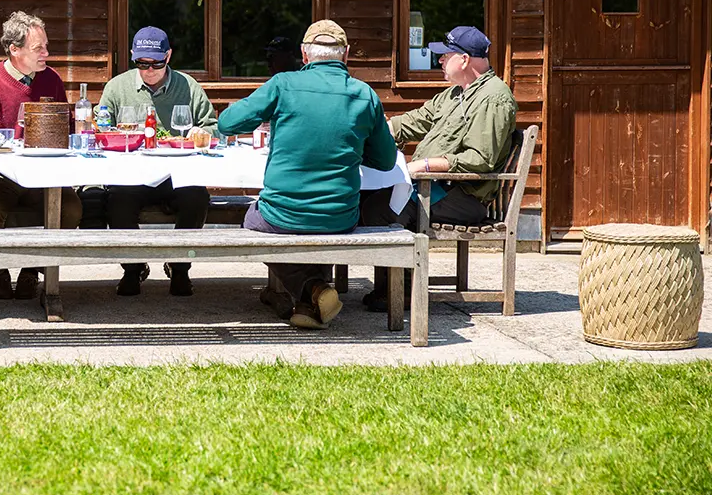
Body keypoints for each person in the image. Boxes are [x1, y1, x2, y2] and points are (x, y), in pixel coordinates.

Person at [219, 20, 397, 329]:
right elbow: (385, 160)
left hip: (281, 216)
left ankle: (311, 289)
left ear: (304, 54)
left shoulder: (283, 85)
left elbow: (227, 123)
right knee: (317, 222)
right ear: (346, 55)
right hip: (341, 217)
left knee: (252, 220)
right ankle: (309, 301)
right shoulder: (364, 94)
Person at [360, 25, 517, 311]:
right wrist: (374, 130)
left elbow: (481, 159)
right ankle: (392, 288)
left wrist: (427, 164)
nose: (440, 60)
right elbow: (418, 119)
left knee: (381, 210)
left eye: (446, 55)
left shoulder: (494, 97)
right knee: (370, 200)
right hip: (437, 187)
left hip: (463, 195)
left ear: (465, 59)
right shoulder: (455, 93)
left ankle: (401, 291)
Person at [0, 11, 81, 300]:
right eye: (38, 48)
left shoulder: (52, 80)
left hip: (42, 171)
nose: (46, 53)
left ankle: (31, 271)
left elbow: (67, 128)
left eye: (46, 46)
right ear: (14, 50)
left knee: (71, 208)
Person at [98, 26, 218, 297]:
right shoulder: (117, 87)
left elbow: (212, 126)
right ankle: (133, 268)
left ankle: (179, 268)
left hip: (177, 173)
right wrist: (112, 132)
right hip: (133, 174)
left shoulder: (188, 86)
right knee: (116, 201)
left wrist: (202, 133)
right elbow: (101, 125)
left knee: (197, 199)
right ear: (132, 57)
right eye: (142, 63)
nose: (149, 70)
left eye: (157, 63)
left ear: (169, 56)